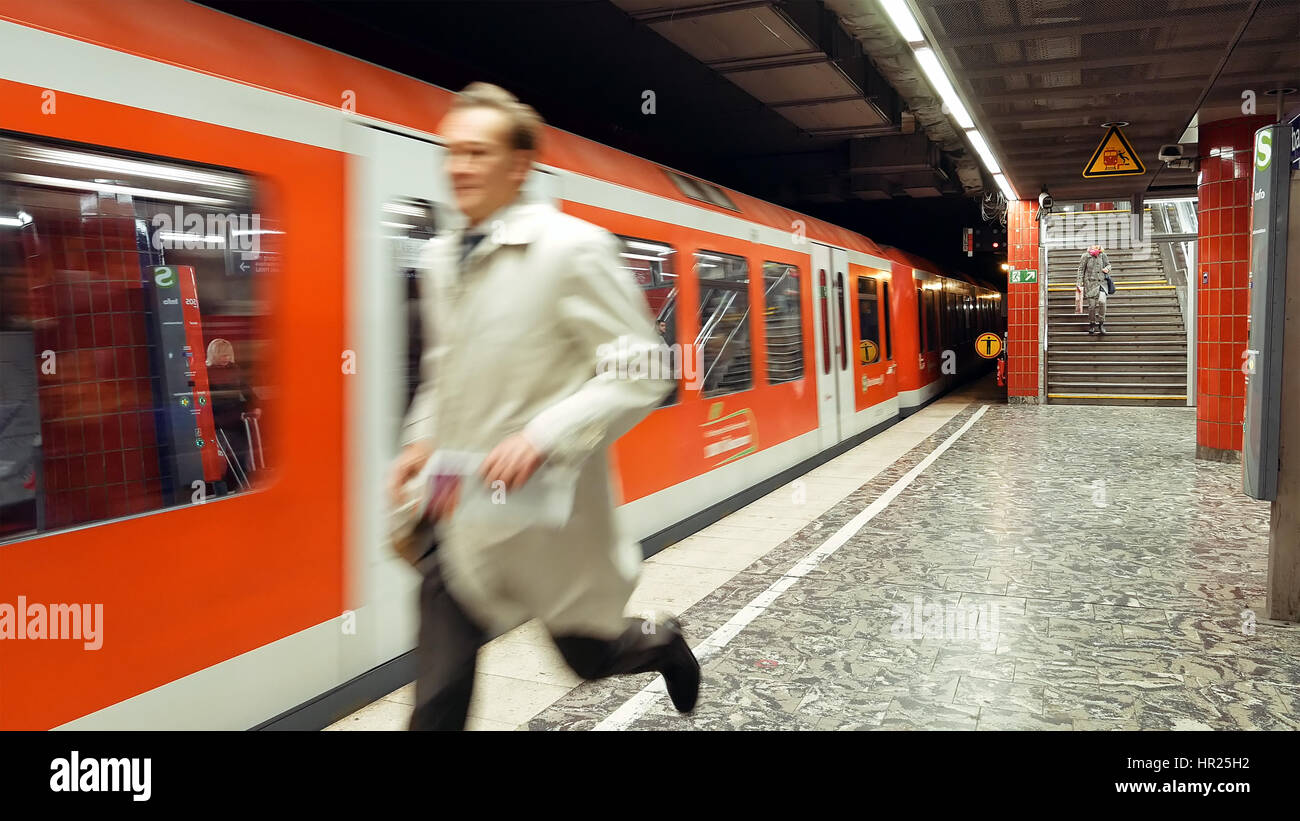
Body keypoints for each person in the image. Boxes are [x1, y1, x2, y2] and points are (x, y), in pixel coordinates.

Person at [387, 82, 700, 731]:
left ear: (518, 165)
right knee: (437, 699)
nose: (458, 167)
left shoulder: (572, 249)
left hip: (544, 508)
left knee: (589, 656)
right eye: (452, 152)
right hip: (459, 504)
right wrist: (418, 441)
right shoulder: (442, 259)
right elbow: (442, 370)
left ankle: (662, 640)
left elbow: (643, 367)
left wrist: (543, 435)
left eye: (477, 152)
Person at [205, 338, 260, 490]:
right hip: (220, 421)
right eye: (223, 355)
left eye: (228, 355)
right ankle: (223, 489)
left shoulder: (235, 369)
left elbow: (246, 389)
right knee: (221, 460)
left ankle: (238, 488)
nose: (227, 358)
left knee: (242, 456)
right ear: (214, 355)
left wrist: (256, 405)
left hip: (236, 420)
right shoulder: (206, 373)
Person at [1075, 245, 1111, 335]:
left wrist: (1107, 269)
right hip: (1090, 285)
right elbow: (1081, 270)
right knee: (1092, 306)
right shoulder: (1085, 256)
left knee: (1102, 302)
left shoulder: (1103, 255)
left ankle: (1101, 324)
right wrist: (1079, 283)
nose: (1095, 247)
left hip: (1102, 284)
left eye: (1097, 246)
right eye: (1094, 246)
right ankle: (1092, 324)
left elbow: (1109, 265)